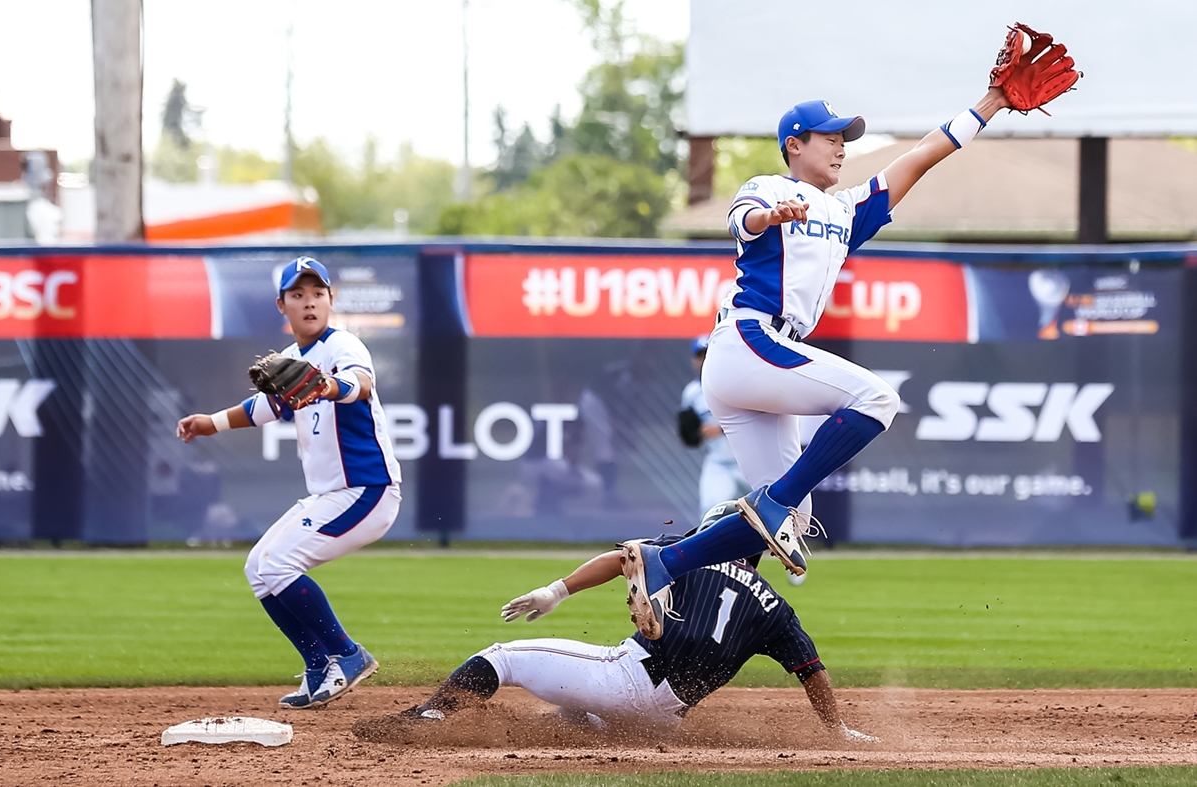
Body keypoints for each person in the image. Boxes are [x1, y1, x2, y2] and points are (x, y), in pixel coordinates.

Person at [623, 80, 1032, 640]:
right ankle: (770, 507)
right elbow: (742, 220)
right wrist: (771, 217)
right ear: (794, 144)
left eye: (845, 138)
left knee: (791, 521)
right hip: (749, 340)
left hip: (758, 365)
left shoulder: (847, 209)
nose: (841, 146)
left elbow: (920, 156)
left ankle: (665, 562)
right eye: (829, 137)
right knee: (877, 399)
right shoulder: (769, 187)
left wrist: (990, 105)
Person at [352, 503, 876, 742]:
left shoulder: (688, 554)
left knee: (501, 658)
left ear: (715, 536)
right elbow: (813, 671)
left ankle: (428, 718)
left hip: (627, 679)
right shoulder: (777, 609)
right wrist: (837, 730)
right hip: (665, 720)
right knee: (579, 716)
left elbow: (624, 557)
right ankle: (564, 730)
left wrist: (556, 591)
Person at [176, 256, 402, 709]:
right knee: (258, 568)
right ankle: (318, 665)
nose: (309, 302)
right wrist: (210, 423)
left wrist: (328, 386)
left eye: (317, 293)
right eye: (298, 294)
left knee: (279, 564)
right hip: (332, 494)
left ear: (331, 300)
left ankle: (347, 654)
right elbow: (266, 407)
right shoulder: (294, 361)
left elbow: (359, 383)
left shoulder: (343, 345)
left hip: (367, 490)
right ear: (283, 305)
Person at [680, 334, 750, 518]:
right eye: (700, 356)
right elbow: (689, 431)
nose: (705, 360)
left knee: (767, 512)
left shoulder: (739, 384)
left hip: (750, 461)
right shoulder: (692, 393)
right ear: (693, 361)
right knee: (710, 512)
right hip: (718, 461)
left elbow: (755, 420)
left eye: (709, 354)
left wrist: (720, 430)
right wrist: (693, 434)